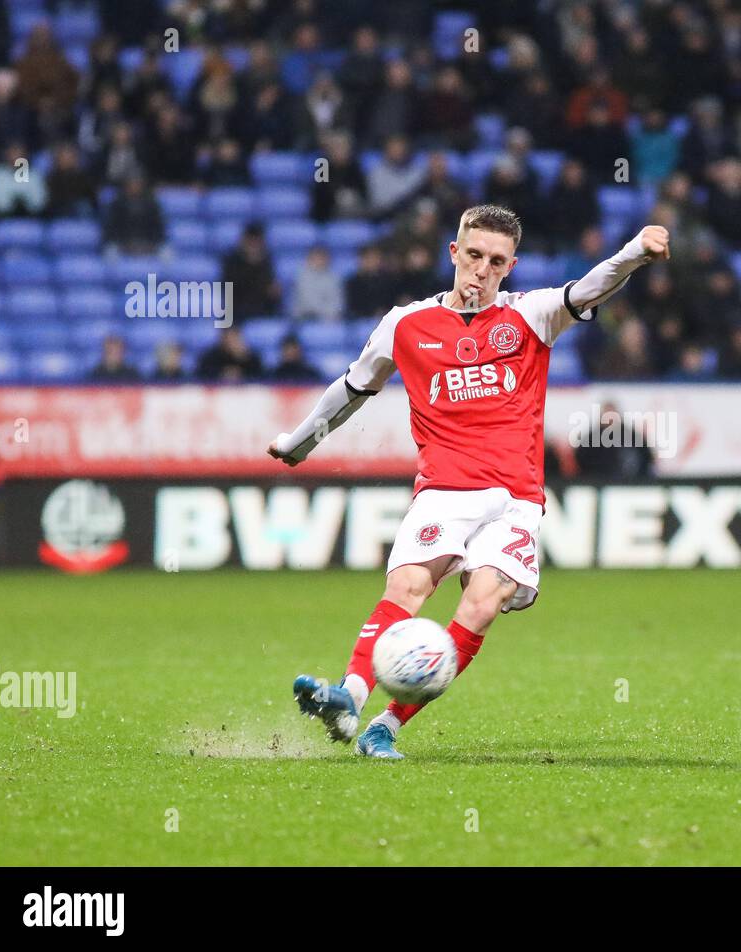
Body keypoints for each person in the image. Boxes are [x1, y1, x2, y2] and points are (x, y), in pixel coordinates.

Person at [272, 205, 670, 759]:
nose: (483, 270)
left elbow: (589, 288)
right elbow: (354, 386)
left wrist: (635, 253)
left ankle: (386, 726)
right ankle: (349, 698)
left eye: (497, 261)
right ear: (454, 253)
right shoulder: (405, 324)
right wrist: (300, 441)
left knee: (483, 604)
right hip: (444, 491)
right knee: (408, 589)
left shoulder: (530, 315)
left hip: (515, 502)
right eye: (475, 256)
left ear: (511, 266)